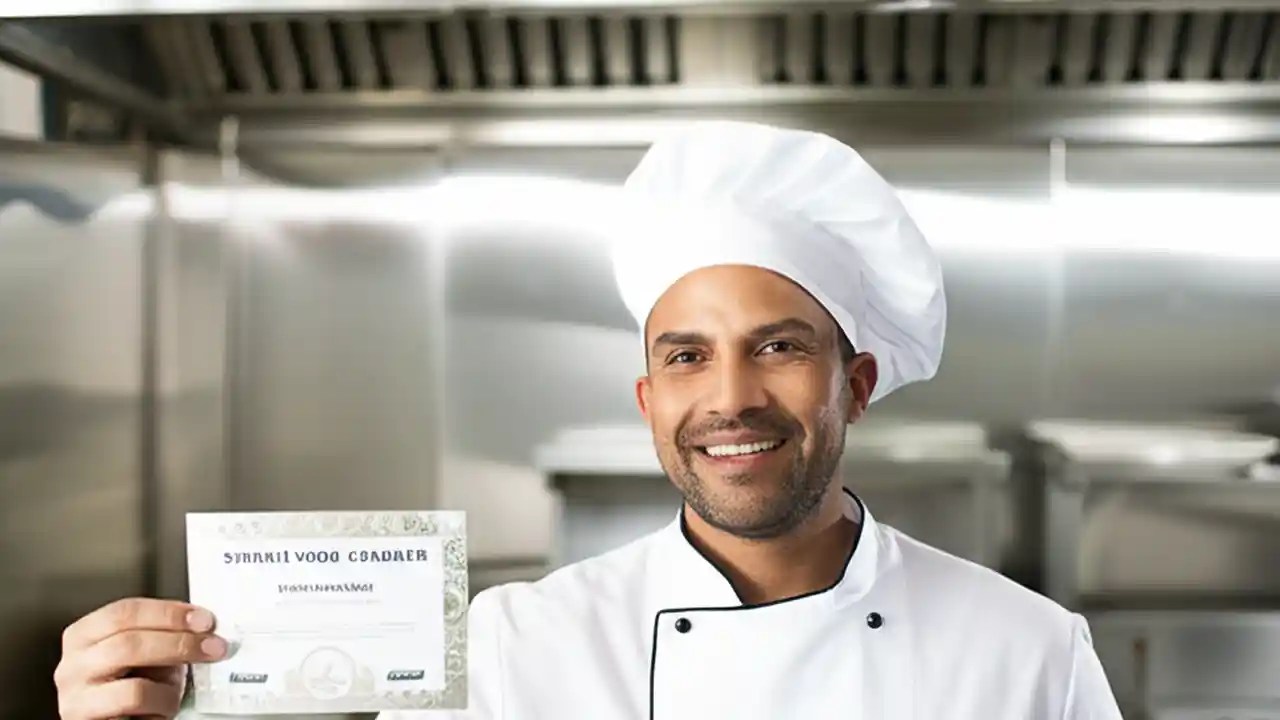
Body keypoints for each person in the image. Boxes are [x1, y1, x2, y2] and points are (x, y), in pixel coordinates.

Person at [55, 121, 1123, 720]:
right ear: (649, 402)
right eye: (685, 355)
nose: (731, 396)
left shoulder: (1025, 651)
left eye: (781, 345)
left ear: (853, 383)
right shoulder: (509, 649)